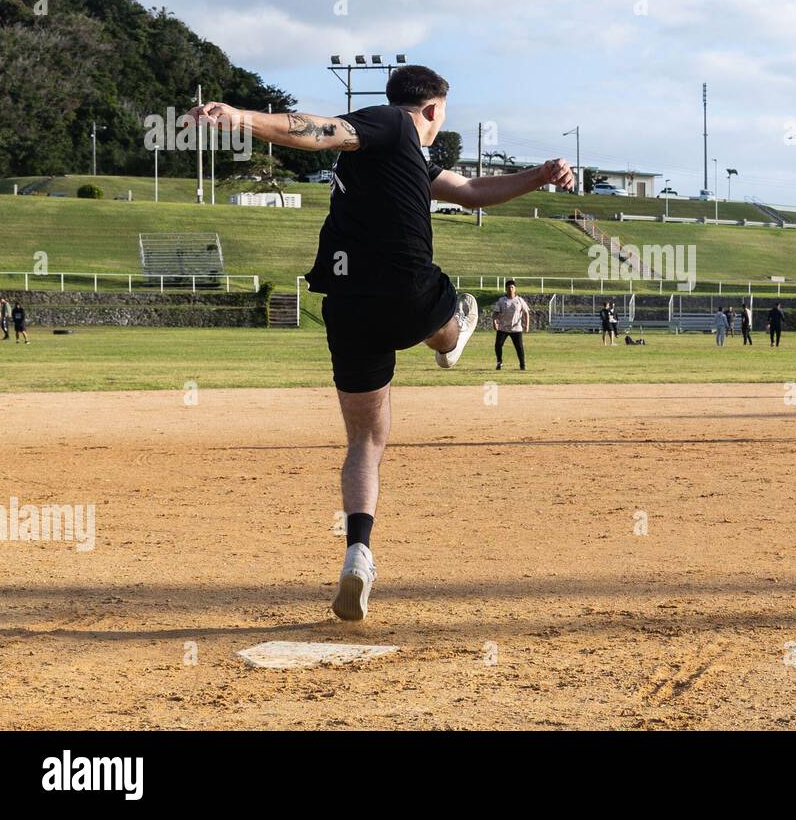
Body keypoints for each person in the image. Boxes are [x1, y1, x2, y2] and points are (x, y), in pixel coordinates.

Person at [190, 65, 574, 623]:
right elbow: (319, 129)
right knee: (452, 318)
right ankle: (454, 331)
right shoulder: (392, 124)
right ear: (434, 110)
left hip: (345, 306)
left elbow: (469, 193)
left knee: (366, 440)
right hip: (405, 289)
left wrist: (537, 176)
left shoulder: (404, 158)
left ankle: (357, 555)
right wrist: (244, 118)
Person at [493, 280, 531, 370]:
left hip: (516, 328)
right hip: (503, 327)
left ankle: (522, 365)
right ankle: (499, 362)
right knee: (498, 345)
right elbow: (496, 313)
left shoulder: (519, 300)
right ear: (506, 289)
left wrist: (527, 325)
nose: (510, 289)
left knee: (519, 347)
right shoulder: (502, 300)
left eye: (512, 287)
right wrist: (494, 322)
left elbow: (526, 313)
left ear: (515, 289)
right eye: (508, 287)